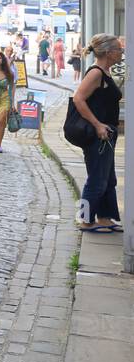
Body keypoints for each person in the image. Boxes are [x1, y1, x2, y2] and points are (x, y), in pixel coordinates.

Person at [71, 34, 124, 233]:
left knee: (108, 178)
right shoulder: (96, 73)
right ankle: (85, 220)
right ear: (109, 53)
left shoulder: (105, 71)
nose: (121, 52)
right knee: (97, 178)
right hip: (98, 135)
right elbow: (78, 99)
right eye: (119, 49)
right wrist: (98, 124)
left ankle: (104, 218)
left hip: (106, 133)